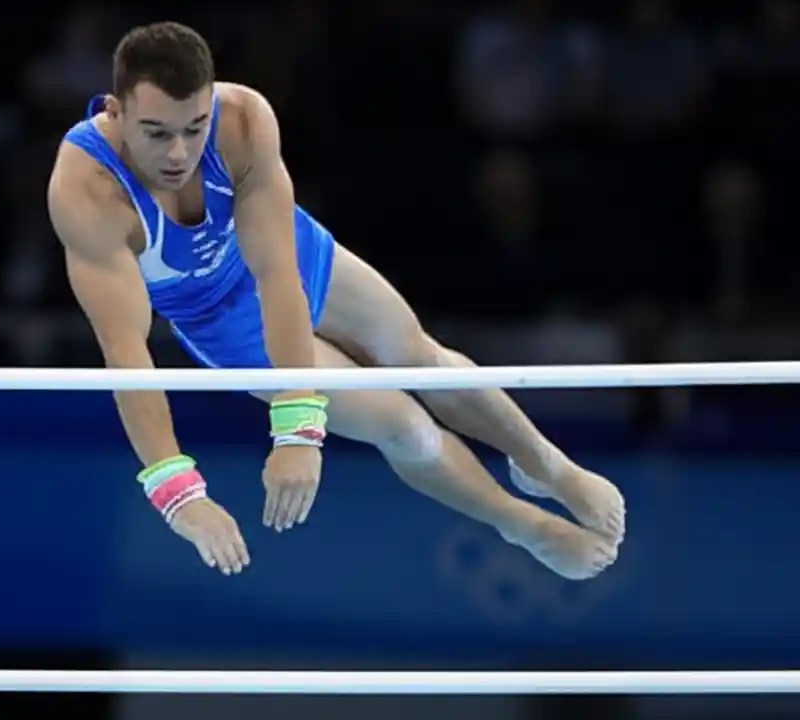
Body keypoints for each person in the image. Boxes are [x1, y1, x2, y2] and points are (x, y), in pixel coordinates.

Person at [45, 21, 624, 580]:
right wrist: (180, 496)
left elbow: (278, 277)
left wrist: (297, 427)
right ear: (116, 112)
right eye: (157, 133)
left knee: (419, 358)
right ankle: (522, 525)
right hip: (220, 319)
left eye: (194, 128)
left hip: (290, 260)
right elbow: (127, 357)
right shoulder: (88, 192)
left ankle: (548, 465)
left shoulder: (243, 121)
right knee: (403, 427)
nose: (179, 152)